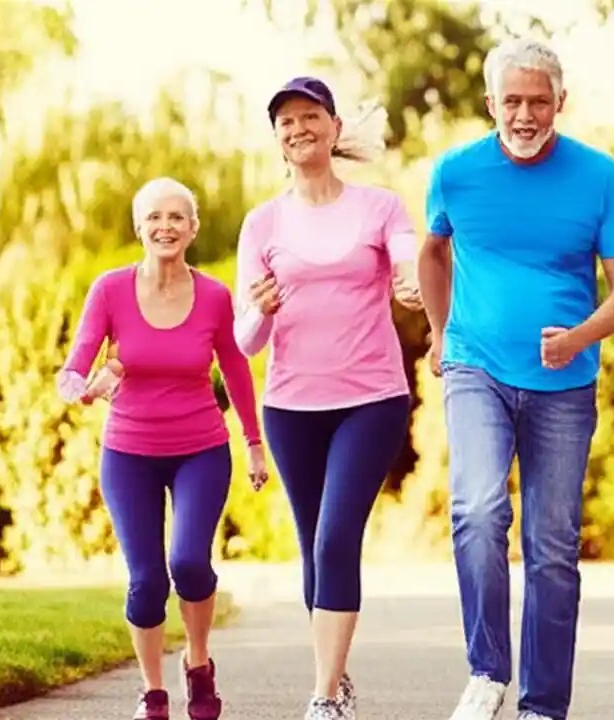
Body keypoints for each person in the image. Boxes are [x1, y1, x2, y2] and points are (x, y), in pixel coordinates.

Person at [415, 37, 614, 720]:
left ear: (560, 104)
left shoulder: (599, 176)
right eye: (511, 101)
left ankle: (543, 703)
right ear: (491, 103)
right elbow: (432, 252)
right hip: (476, 367)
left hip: (565, 386)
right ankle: (487, 671)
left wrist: (578, 337)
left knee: (551, 545)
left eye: (537, 101)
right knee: (479, 511)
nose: (524, 114)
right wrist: (439, 331)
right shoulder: (456, 173)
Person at [233, 76, 417, 720]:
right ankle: (334, 677)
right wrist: (257, 311)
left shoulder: (380, 207)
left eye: (310, 116)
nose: (299, 127)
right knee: (313, 543)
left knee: (337, 537)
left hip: (371, 397)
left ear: (335, 128)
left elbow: (406, 261)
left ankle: (321, 696)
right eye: (286, 121)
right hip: (290, 406)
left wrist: (412, 280)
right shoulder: (263, 223)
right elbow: (246, 340)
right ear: (277, 139)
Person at [57, 177, 267, 720]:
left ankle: (198, 663)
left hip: (201, 447)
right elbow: (77, 361)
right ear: (139, 227)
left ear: (192, 228)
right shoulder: (109, 290)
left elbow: (237, 371)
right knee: (147, 581)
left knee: (190, 563)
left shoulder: (216, 296)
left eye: (177, 217)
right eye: (155, 217)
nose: (166, 227)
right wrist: (79, 386)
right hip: (128, 453)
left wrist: (254, 441)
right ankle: (152, 691)